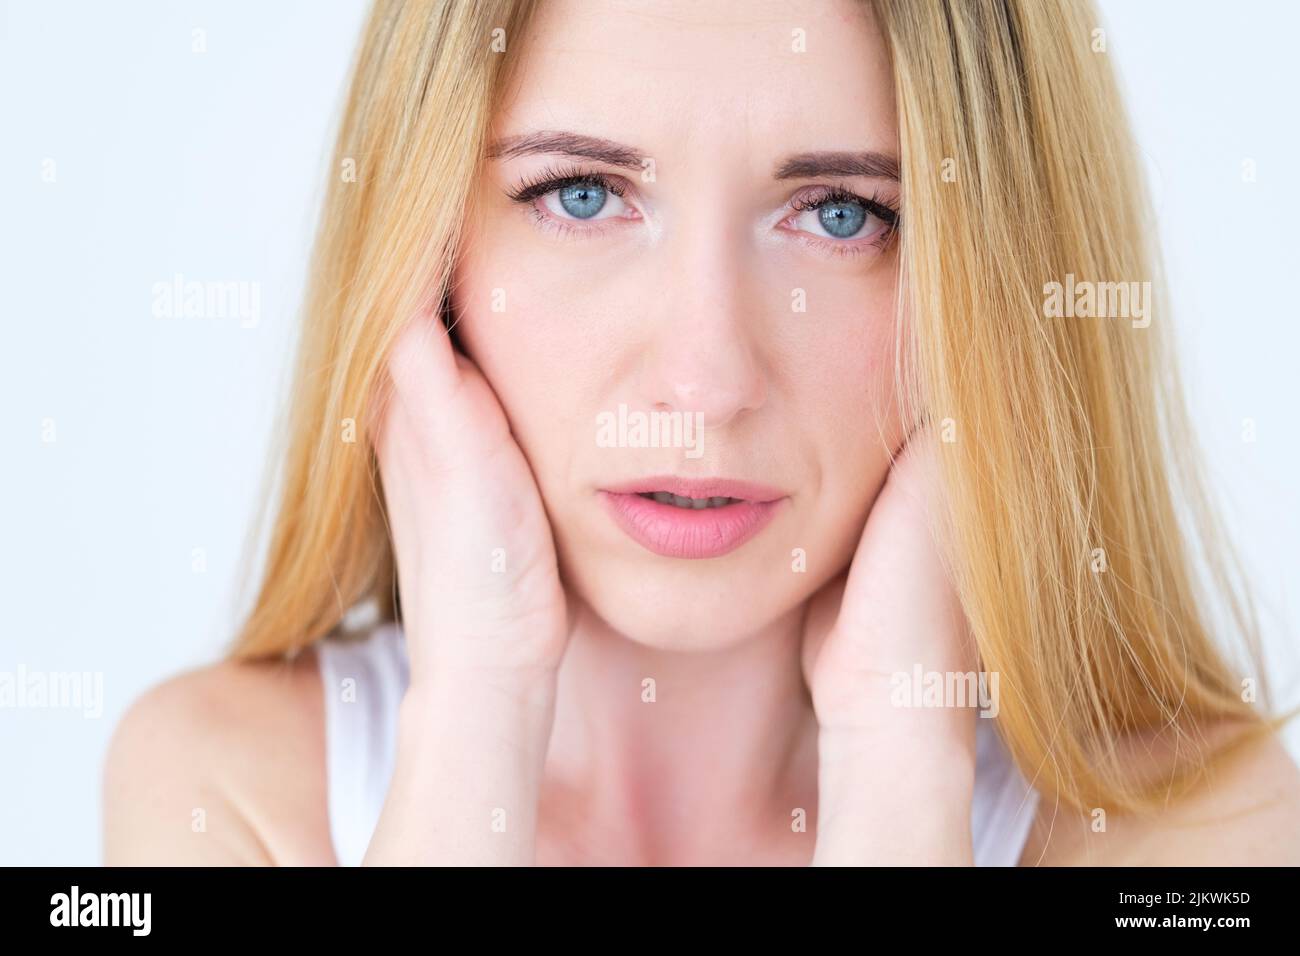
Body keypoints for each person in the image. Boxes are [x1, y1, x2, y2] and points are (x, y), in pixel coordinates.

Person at [104, 0, 1300, 866]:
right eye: (581, 196)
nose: (703, 377)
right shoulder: (228, 789)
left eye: (839, 214)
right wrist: (474, 709)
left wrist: (899, 764)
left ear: (997, 281)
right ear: (424, 264)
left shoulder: (1193, 831)